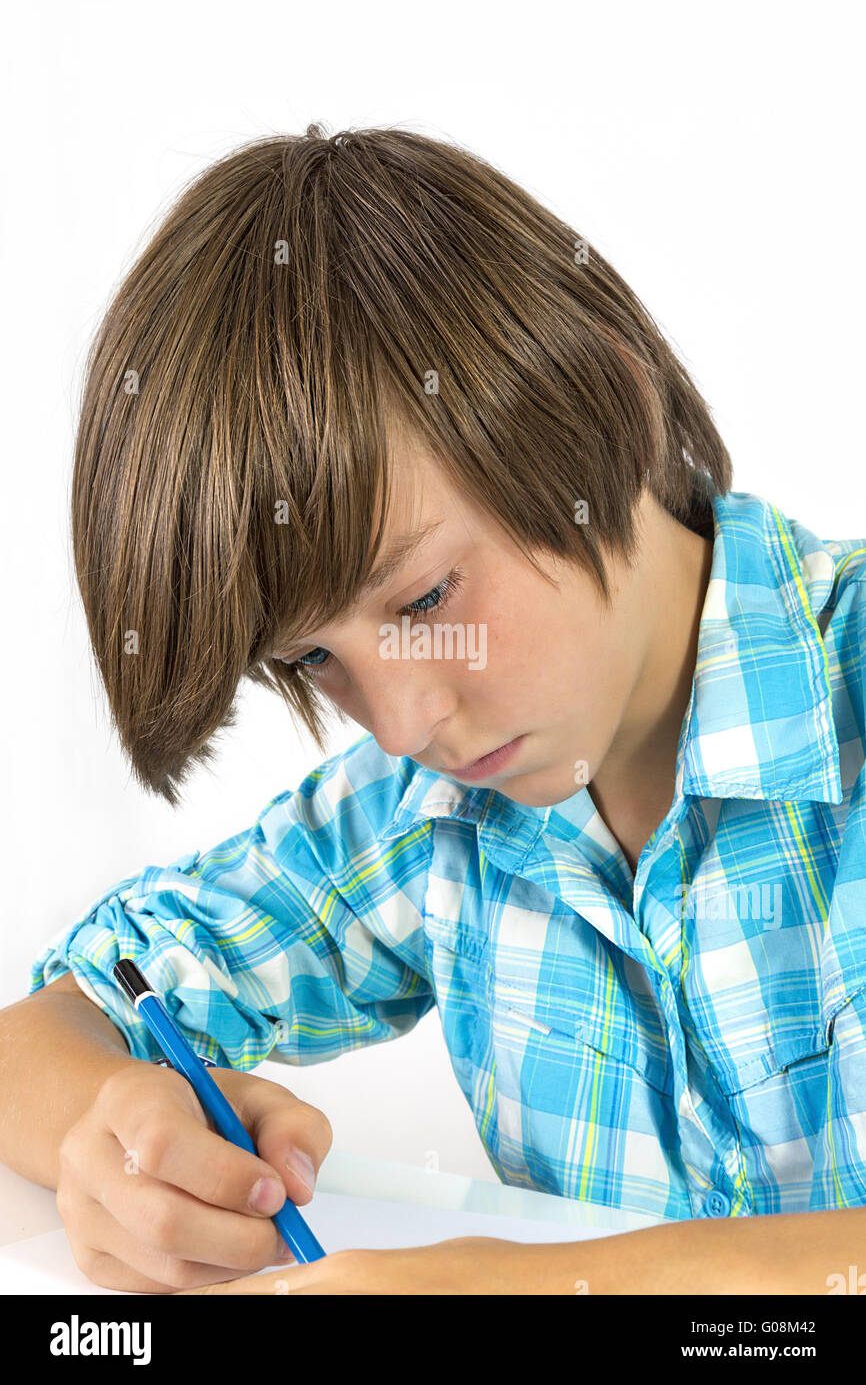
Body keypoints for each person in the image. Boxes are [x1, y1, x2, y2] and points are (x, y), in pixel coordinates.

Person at [1, 124, 864, 1295]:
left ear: (592, 404)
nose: (400, 724)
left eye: (423, 596)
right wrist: (111, 1132)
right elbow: (46, 1029)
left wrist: (542, 1291)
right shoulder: (425, 813)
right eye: (313, 657)